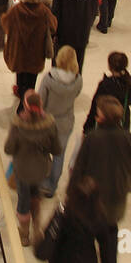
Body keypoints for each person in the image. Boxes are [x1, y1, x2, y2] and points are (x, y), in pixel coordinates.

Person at [5, 88, 62, 245]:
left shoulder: (18, 124)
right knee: (36, 195)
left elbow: (8, 148)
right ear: (41, 105)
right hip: (41, 170)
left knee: (23, 199)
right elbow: (56, 149)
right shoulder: (49, 124)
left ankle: (24, 234)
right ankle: (37, 229)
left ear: (25, 105)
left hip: (22, 170)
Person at [72, 96, 131, 231]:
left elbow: (80, 167)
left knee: (89, 232)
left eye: (99, 112)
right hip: (116, 196)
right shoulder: (128, 138)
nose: (96, 115)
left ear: (105, 117)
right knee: (110, 233)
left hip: (93, 197)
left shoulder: (93, 137)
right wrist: (127, 186)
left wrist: (72, 193)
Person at [0, 0, 58, 102]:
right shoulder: (44, 11)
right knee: (32, 80)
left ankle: (21, 95)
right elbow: (53, 26)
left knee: (20, 76)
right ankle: (28, 99)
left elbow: (5, 22)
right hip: (36, 54)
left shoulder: (17, 10)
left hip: (19, 52)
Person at [37, 46, 82, 199]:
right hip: (66, 122)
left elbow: (40, 100)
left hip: (47, 121)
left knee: (42, 152)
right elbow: (76, 95)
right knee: (59, 154)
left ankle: (41, 180)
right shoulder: (78, 80)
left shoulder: (49, 79)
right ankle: (52, 186)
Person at [52, 0, 101, 74]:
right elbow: (94, 10)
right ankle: (75, 84)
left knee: (60, 60)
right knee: (78, 61)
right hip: (82, 33)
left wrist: (53, 33)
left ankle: (56, 83)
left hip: (63, 34)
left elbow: (55, 13)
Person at [82, 51, 131, 134]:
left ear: (110, 66)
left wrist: (87, 128)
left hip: (105, 119)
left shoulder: (105, 85)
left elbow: (94, 106)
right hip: (123, 119)